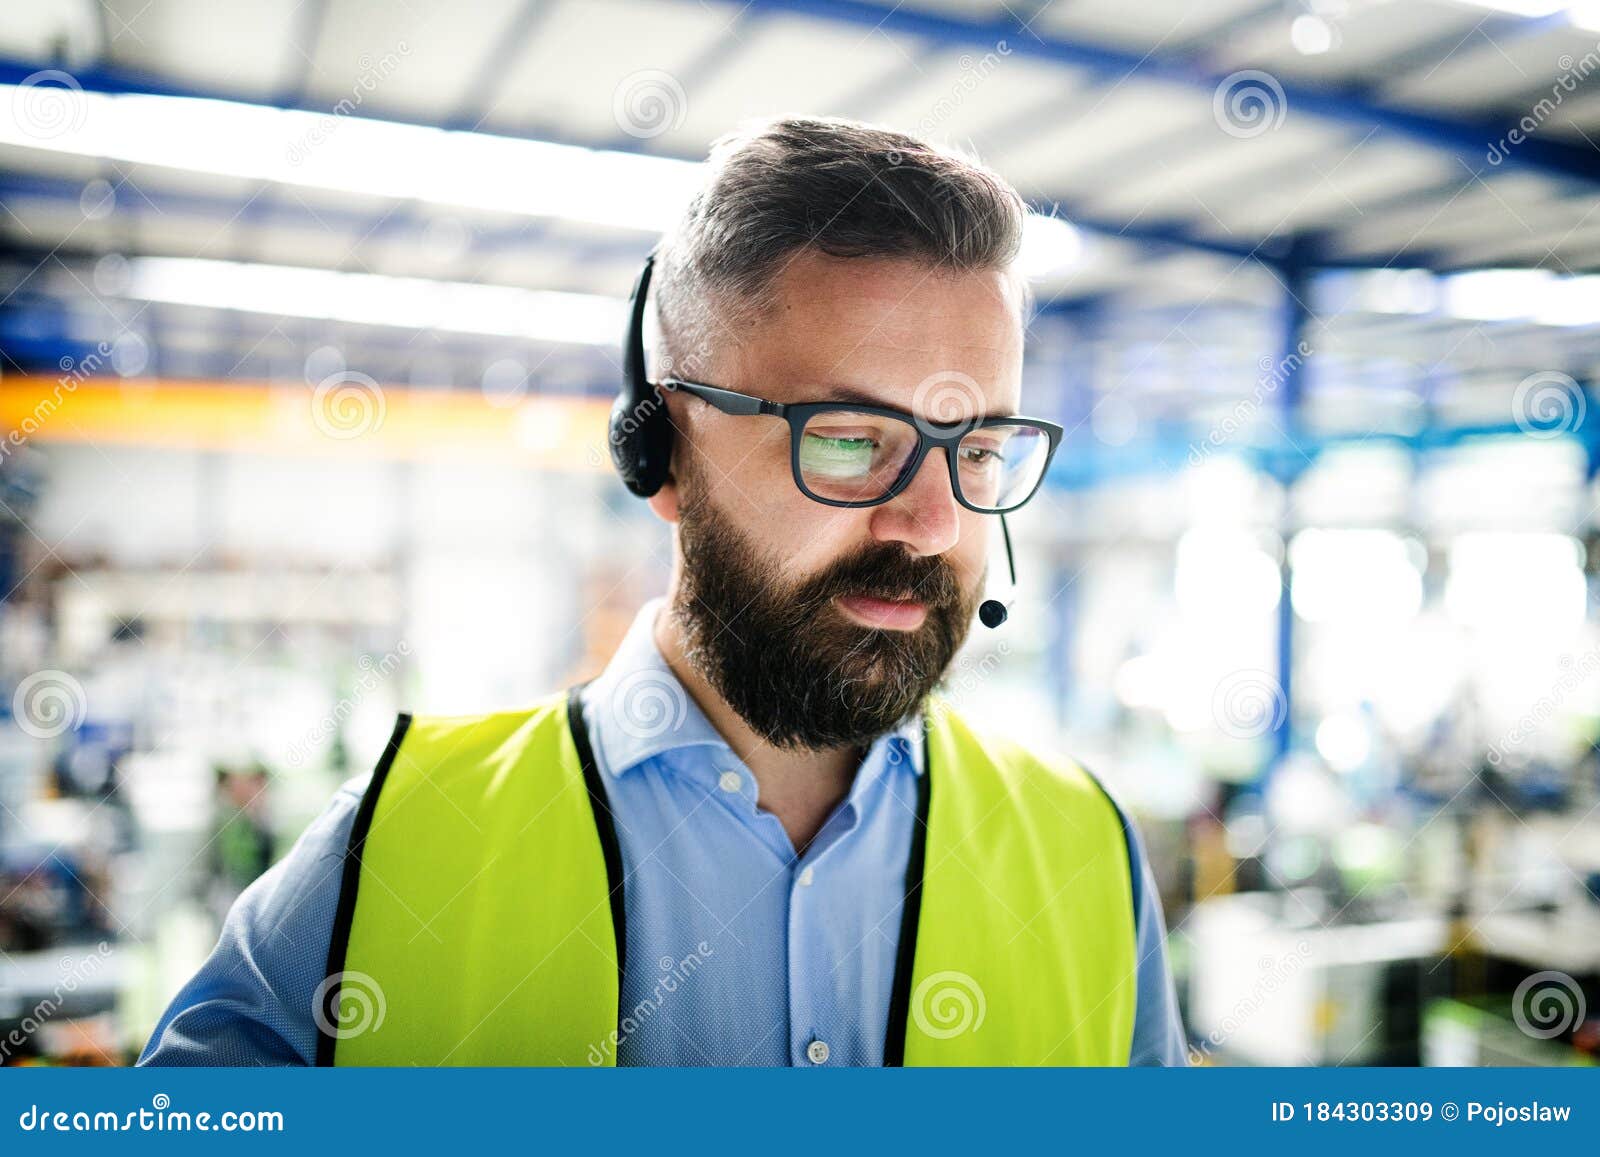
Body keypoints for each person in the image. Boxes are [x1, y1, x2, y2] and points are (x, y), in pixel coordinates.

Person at [141, 117, 1185, 1067]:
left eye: (982, 447)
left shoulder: (1085, 850)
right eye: (851, 438)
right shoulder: (395, 850)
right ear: (665, 450)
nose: (934, 523)